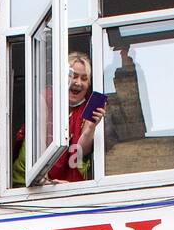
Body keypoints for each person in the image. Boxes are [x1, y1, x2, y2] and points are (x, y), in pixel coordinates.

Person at [11, 51, 106, 186]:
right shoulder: (46, 97)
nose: (78, 83)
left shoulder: (86, 108)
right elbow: (38, 142)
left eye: (84, 79)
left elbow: (80, 153)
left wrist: (91, 127)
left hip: (66, 181)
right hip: (35, 178)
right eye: (74, 76)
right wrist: (44, 178)